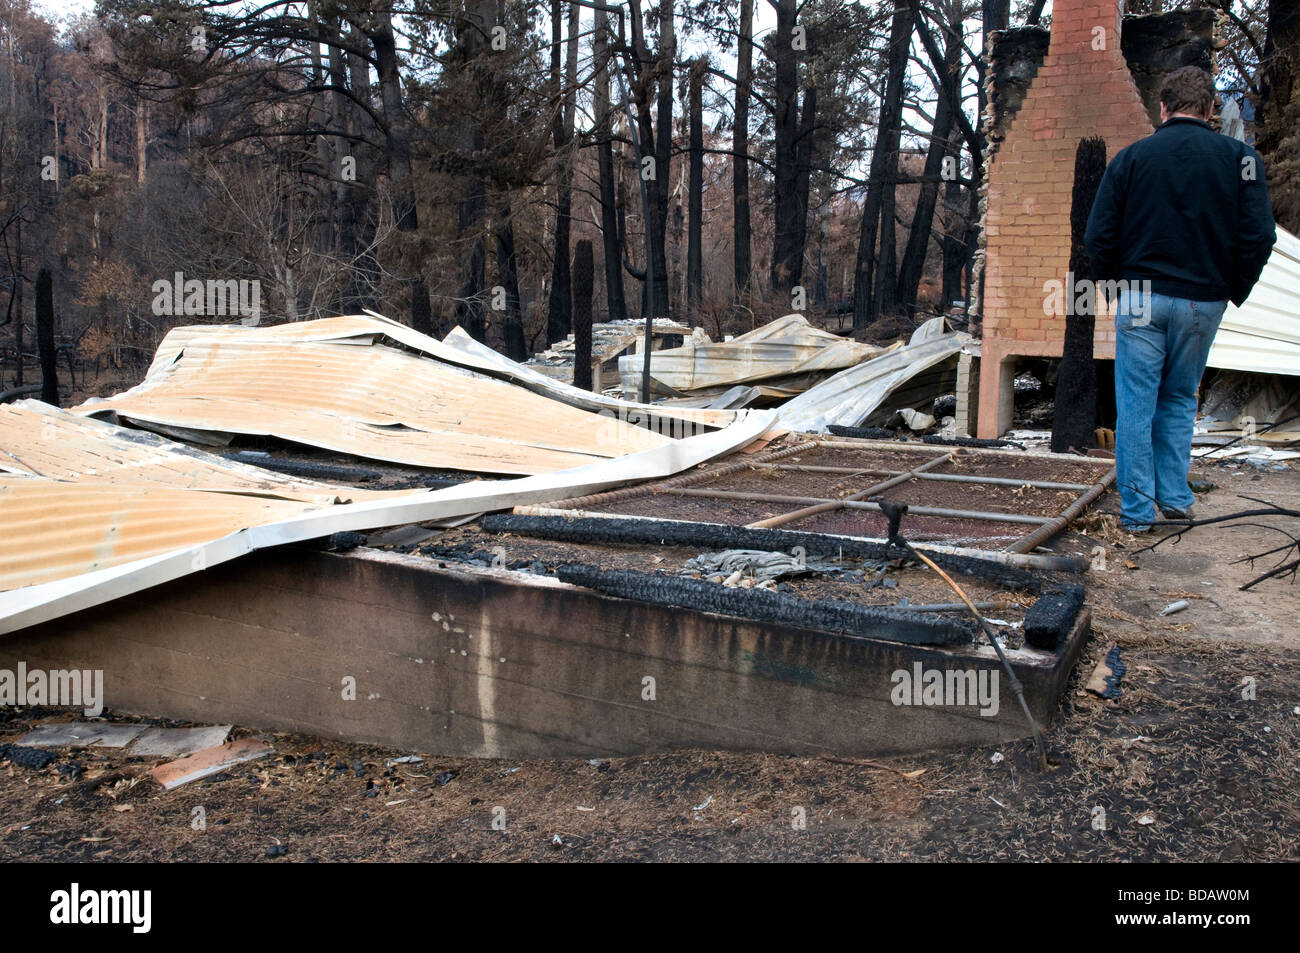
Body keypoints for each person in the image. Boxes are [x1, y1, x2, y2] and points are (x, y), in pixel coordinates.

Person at [1085, 65, 1276, 532]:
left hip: (1142, 298)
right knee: (1178, 397)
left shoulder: (1131, 159)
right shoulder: (1240, 159)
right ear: (1211, 110)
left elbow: (1098, 237)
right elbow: (1261, 235)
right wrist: (1231, 288)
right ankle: (1174, 497)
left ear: (1163, 108)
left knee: (1135, 405)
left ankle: (1136, 513)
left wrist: (1115, 285)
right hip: (1202, 301)